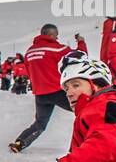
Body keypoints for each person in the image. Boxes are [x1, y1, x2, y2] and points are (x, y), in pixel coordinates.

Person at [9, 24, 74, 153]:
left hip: (41, 94)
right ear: (50, 35)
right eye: (56, 35)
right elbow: (78, 58)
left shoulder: (29, 52)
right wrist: (81, 42)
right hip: (58, 91)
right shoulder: (58, 49)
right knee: (83, 112)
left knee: (40, 123)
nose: (57, 38)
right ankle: (78, 147)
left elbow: (28, 72)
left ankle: (19, 142)